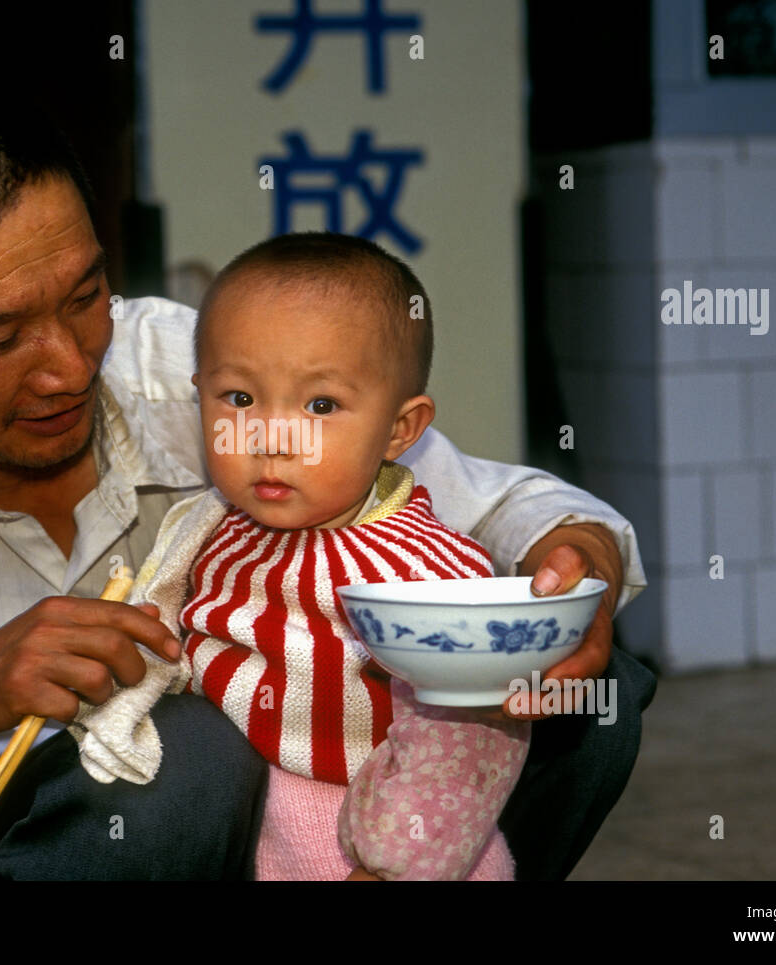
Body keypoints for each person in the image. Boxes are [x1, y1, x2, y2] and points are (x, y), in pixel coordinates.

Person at [0, 104, 650, 881]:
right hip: (29, 858)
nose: (71, 367)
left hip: (304, 839)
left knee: (585, 685)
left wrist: (579, 554)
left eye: (84, 296)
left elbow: (502, 506)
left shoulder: (193, 368)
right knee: (186, 760)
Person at [62, 231, 534, 881]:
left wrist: (396, 864)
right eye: (239, 399)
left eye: (320, 405)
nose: (272, 439)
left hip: (390, 836)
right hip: (267, 824)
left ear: (401, 428)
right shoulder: (211, 530)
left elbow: (467, 741)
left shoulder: (423, 571)